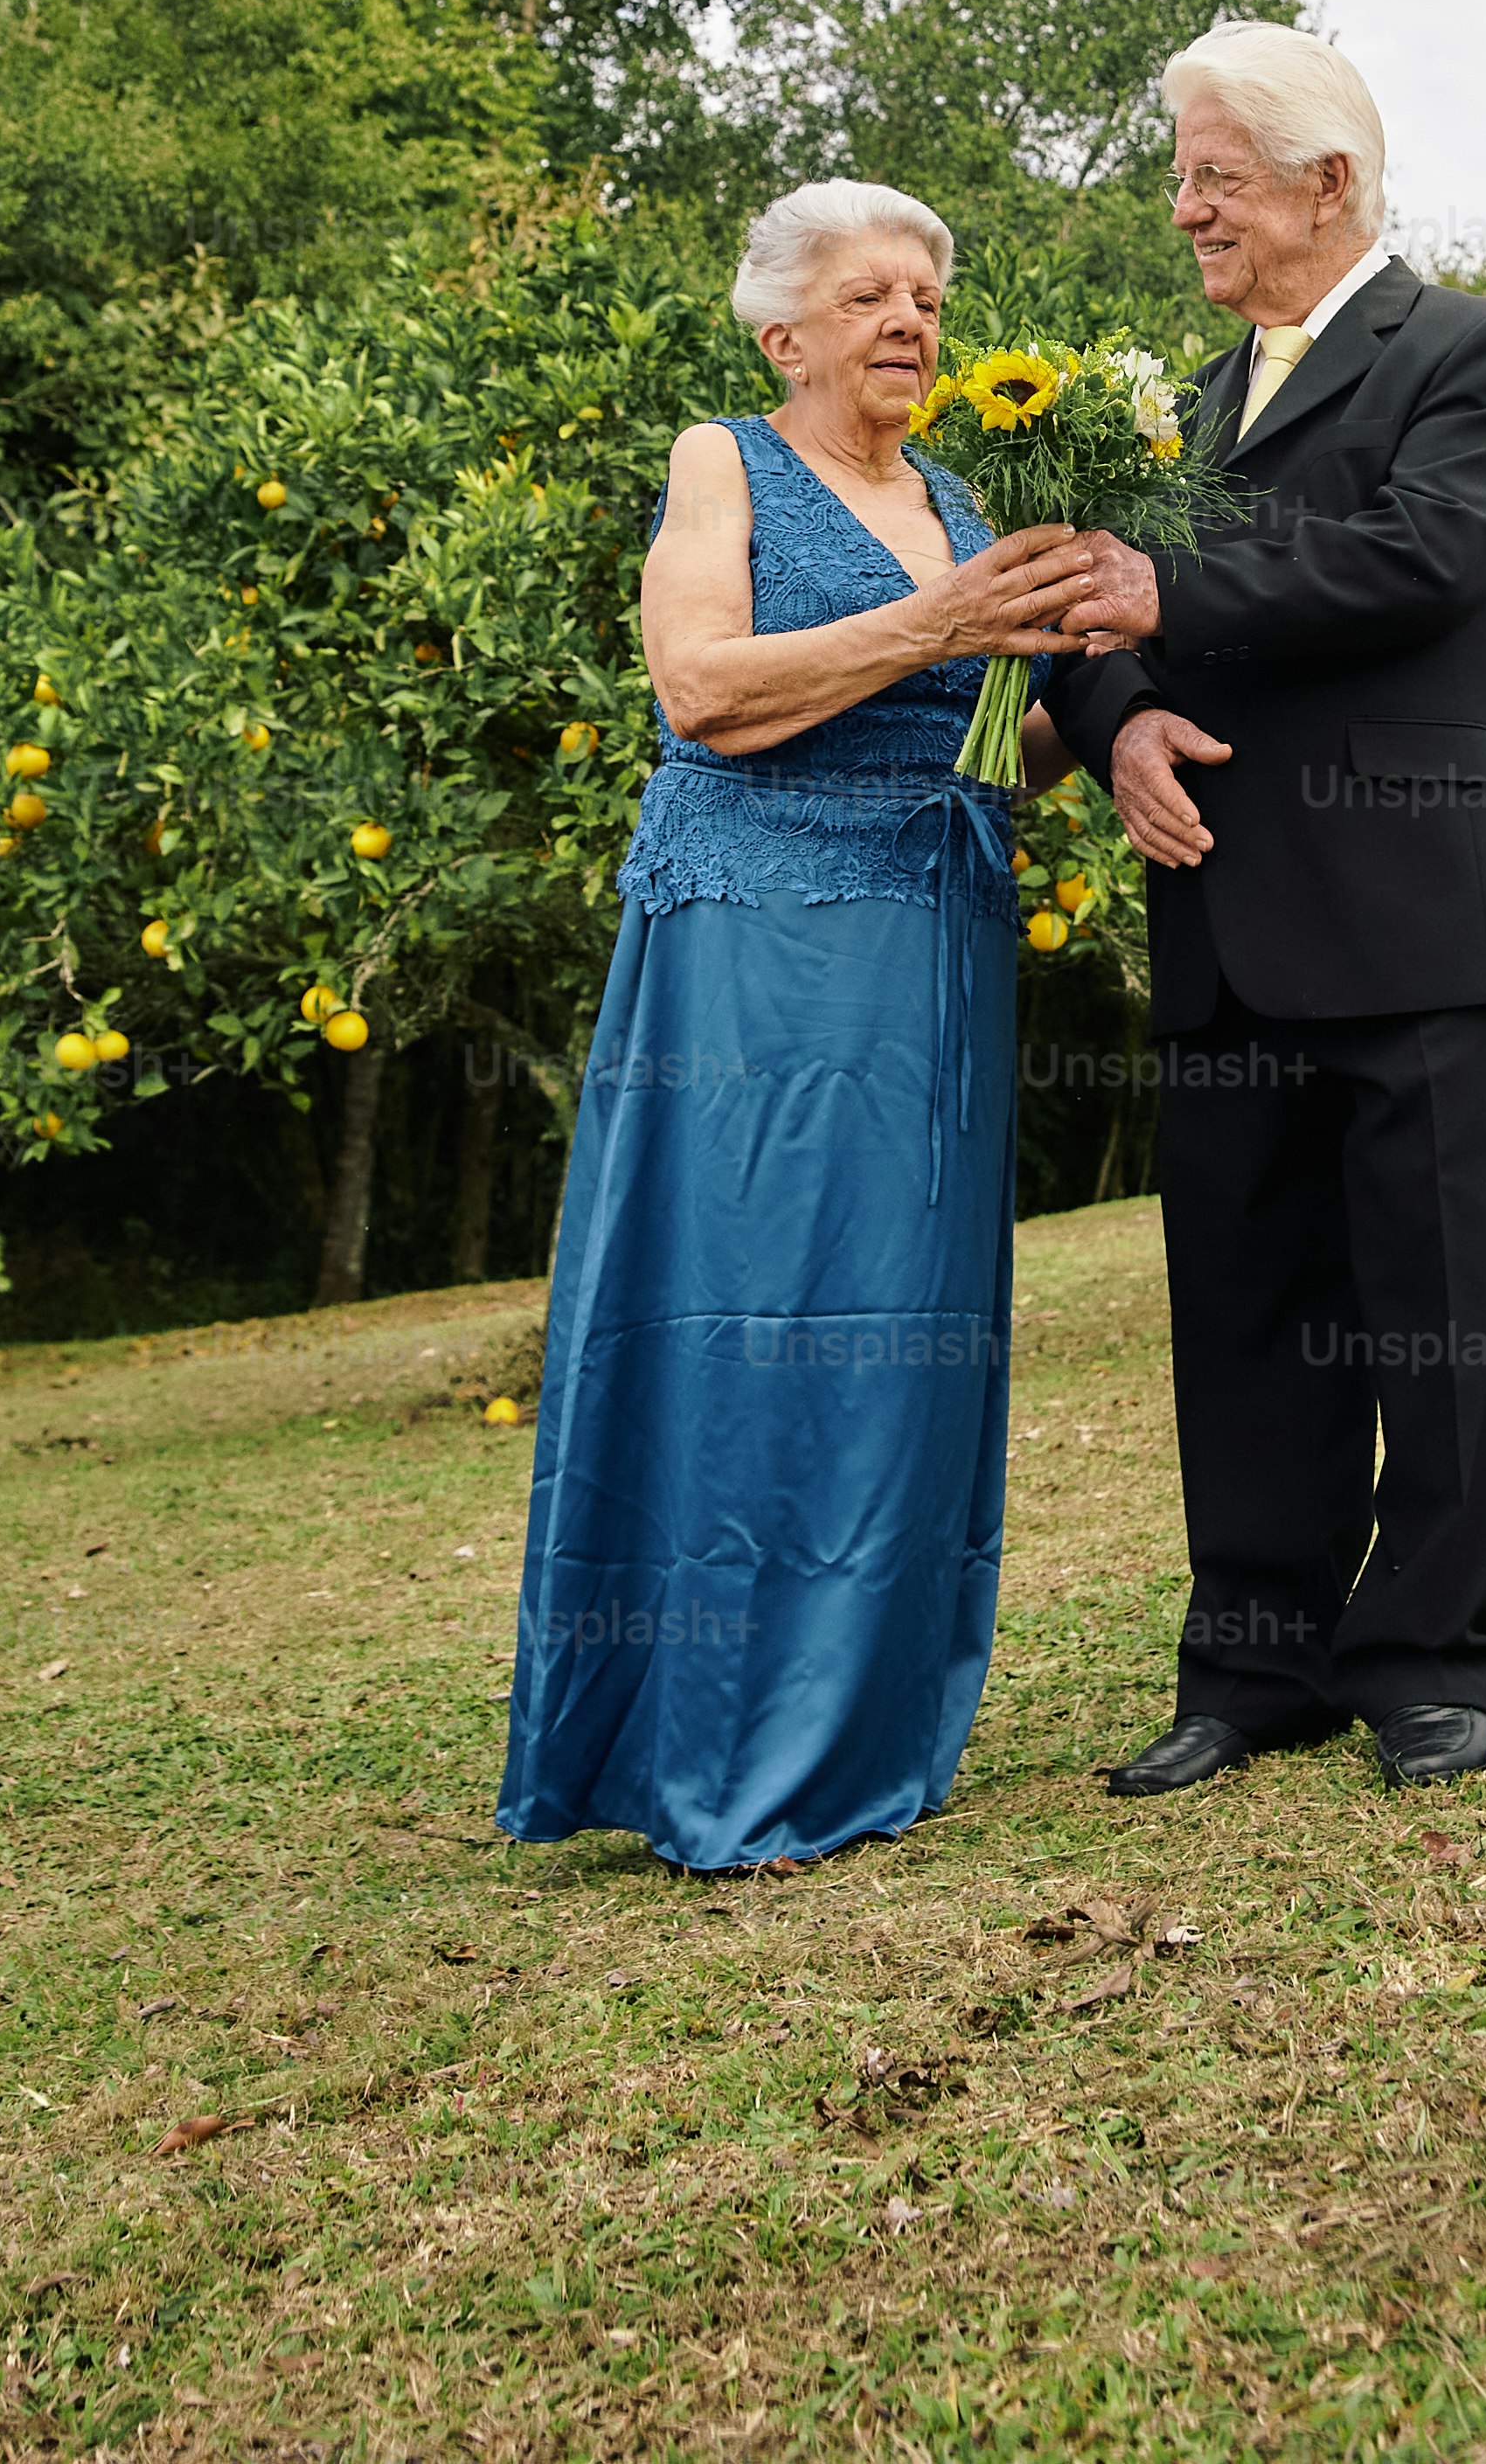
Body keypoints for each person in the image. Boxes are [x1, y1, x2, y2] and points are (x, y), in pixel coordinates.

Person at [496, 183, 1090, 1873]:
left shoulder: (969, 497)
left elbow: (985, 749)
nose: (908, 321)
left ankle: (865, 1732)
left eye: (924, 295)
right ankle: (717, 1752)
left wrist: (1117, 693)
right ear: (785, 334)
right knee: (765, 1308)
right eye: (867, 298)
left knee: (907, 1319)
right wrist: (946, 624)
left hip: (943, 936)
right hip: (764, 932)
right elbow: (701, 687)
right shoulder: (723, 461)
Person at [1051, 20, 1486, 1795]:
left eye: (1216, 176)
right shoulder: (1182, 406)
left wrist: (1158, 584)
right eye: (1182, 174)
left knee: (1441, 1308)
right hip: (1223, 921)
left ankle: (1428, 1653)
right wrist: (1113, 731)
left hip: (1421, 916)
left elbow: (1425, 553)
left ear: (1327, 183)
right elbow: (1097, 632)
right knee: (1246, 1312)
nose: (1186, 209)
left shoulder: (1478, 354)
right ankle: (1251, 1667)